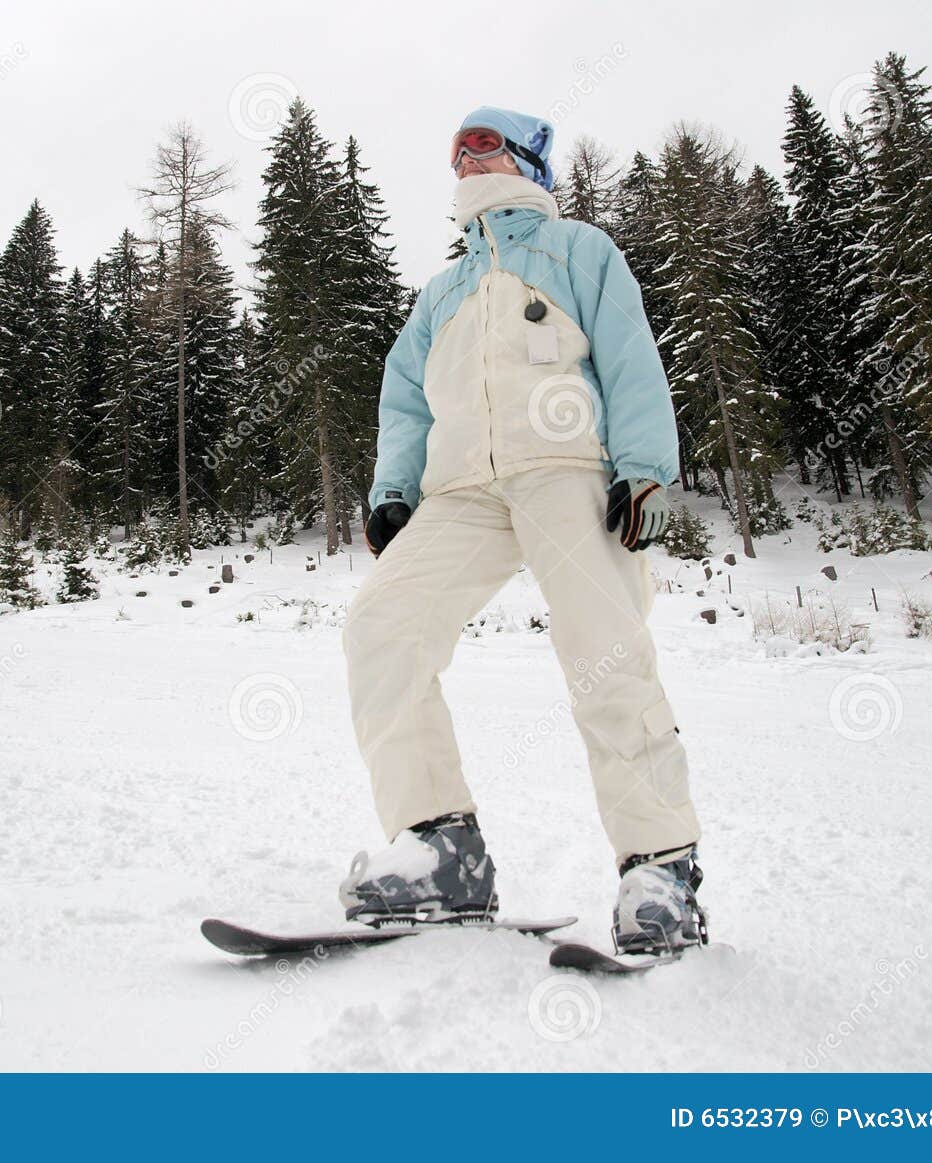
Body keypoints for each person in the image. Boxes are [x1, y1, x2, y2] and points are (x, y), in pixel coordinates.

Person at [337, 106, 706, 955]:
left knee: (604, 652)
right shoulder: (444, 291)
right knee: (381, 627)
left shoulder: (580, 249)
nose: (466, 159)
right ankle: (441, 850)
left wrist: (643, 464)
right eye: (456, 148)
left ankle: (660, 869)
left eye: (484, 144)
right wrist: (394, 487)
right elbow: (404, 395)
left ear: (530, 162)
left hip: (566, 466)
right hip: (462, 487)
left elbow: (628, 352)